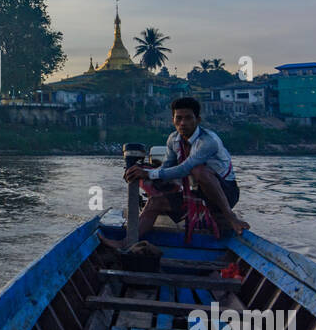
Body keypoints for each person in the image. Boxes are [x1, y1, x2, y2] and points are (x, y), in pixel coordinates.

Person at [103, 97, 249, 245]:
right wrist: (140, 172)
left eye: (188, 118)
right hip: (195, 192)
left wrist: (149, 174)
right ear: (173, 119)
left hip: (226, 192)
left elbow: (185, 168)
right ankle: (127, 242)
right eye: (178, 118)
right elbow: (166, 168)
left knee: (199, 170)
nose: (183, 123)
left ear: (197, 120)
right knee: (155, 203)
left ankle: (230, 217)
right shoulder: (173, 139)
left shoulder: (208, 141)